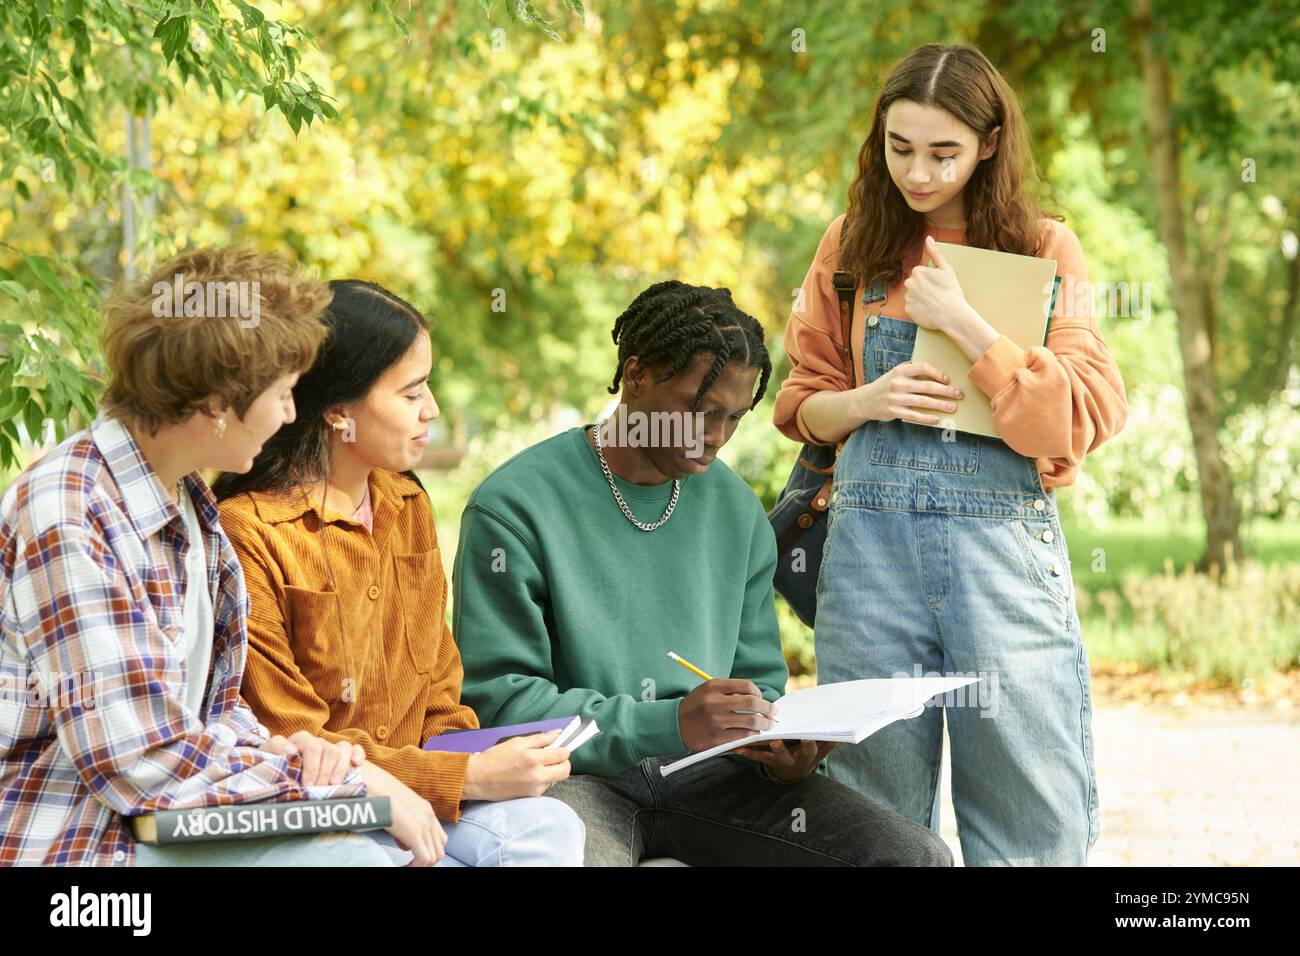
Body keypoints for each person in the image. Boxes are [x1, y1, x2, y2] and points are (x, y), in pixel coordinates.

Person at [453, 279, 954, 866]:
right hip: (574, 776)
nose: (715, 438)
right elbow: (500, 708)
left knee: (910, 856)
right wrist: (667, 722)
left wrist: (775, 742)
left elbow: (759, 680)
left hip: (713, 775)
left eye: (735, 417)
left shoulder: (735, 510)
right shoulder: (514, 506)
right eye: (699, 409)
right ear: (635, 375)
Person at [773, 44, 1128, 866]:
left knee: (1030, 808)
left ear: (990, 142)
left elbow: (1079, 418)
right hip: (868, 566)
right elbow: (800, 404)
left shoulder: (1045, 248)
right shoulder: (851, 245)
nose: (919, 174)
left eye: (944, 152)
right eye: (900, 149)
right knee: (874, 815)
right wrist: (867, 401)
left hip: (1001, 560)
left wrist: (969, 326)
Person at [0, 247, 426, 866]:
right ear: (217, 402)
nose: (288, 414)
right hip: (83, 841)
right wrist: (357, 789)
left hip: (166, 823)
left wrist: (295, 753)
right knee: (346, 858)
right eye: (283, 393)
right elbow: (139, 762)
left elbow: (212, 713)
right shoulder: (69, 509)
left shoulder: (188, 503)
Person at [214, 280, 585, 867]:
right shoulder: (249, 532)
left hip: (428, 782)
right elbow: (291, 736)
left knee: (549, 826)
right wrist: (469, 776)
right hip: (327, 798)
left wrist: (484, 754)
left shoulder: (406, 504)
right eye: (412, 392)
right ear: (339, 411)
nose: (432, 408)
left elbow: (437, 685)